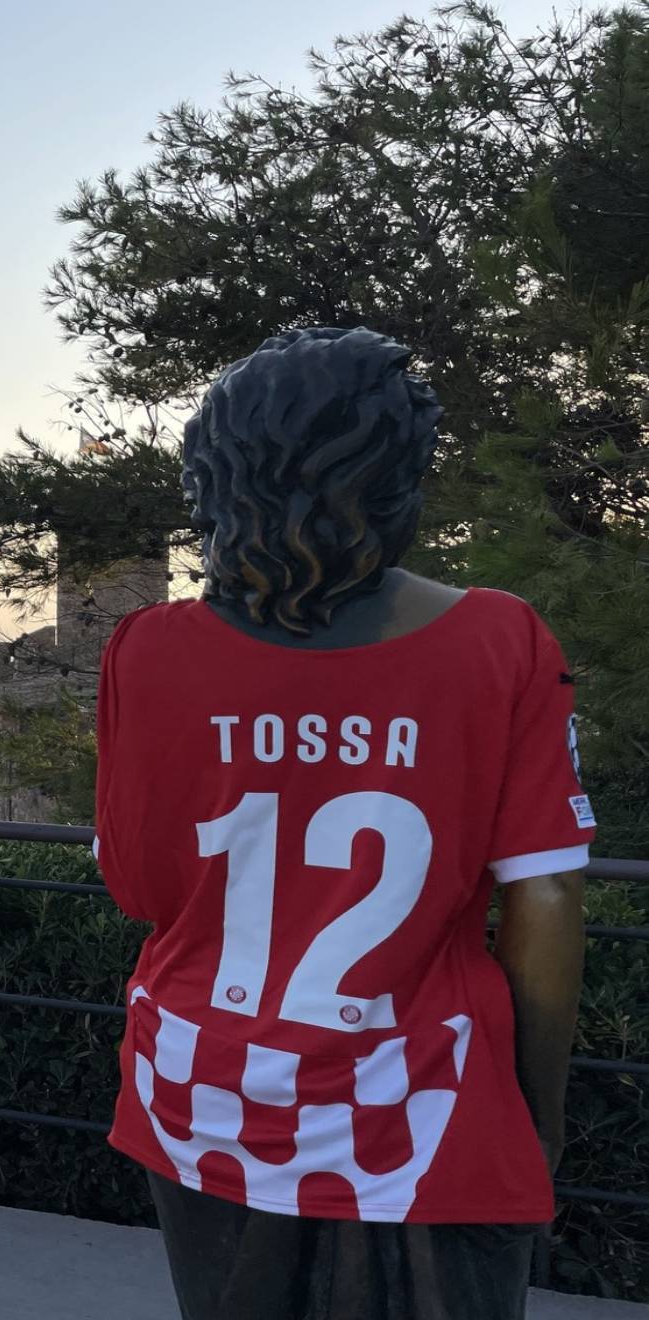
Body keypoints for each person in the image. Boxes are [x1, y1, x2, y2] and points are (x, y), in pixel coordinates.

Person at [92, 327, 593, 1320]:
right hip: (426, 1113)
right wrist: (540, 1113)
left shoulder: (145, 650)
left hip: (200, 1099)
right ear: (401, 475)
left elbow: (138, 889)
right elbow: (546, 894)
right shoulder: (503, 641)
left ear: (216, 478)